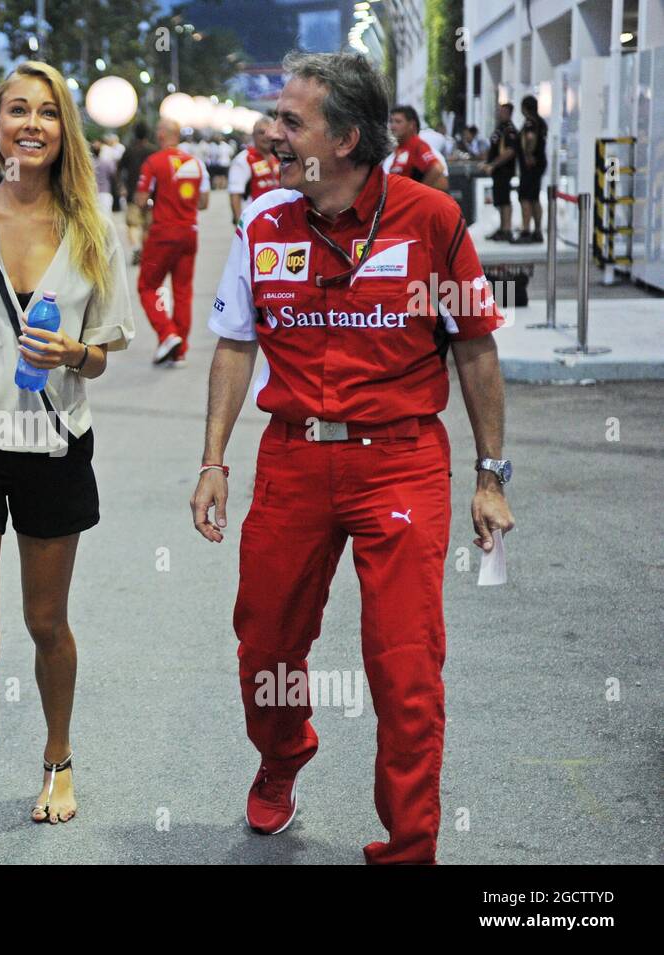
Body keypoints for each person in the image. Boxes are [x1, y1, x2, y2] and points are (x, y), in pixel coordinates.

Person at [193, 51, 515, 865]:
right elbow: (234, 346)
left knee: (405, 665)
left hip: (400, 463)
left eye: (290, 120)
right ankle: (281, 756)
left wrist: (490, 475)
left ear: (343, 137)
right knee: (266, 643)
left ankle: (411, 845)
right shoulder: (264, 220)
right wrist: (213, 461)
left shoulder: (431, 219)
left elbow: (475, 349)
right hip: (293, 460)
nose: (271, 132)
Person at [0, 60, 134, 865]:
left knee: (46, 624)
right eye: (17, 111)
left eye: (47, 112)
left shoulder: (93, 229)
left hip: (53, 445)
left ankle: (57, 755)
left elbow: (106, 348)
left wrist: (77, 349)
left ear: (62, 129)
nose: (32, 124)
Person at [134, 116, 210, 367]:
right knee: (183, 291)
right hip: (190, 232)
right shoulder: (196, 163)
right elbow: (203, 202)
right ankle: (180, 351)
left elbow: (141, 200)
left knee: (147, 286)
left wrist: (156, 200)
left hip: (164, 233)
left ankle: (167, 333)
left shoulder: (154, 162)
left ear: (161, 135)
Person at [228, 117, 281, 223]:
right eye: (261, 132)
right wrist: (240, 225)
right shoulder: (244, 159)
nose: (266, 137)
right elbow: (235, 194)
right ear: (253, 135)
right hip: (253, 220)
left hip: (278, 219)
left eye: (269, 132)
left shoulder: (279, 157)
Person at [118, 121, 156, 265]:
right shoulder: (153, 150)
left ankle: (136, 248)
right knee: (147, 225)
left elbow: (119, 170)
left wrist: (122, 187)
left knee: (133, 224)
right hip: (151, 194)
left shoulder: (129, 150)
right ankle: (145, 251)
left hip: (132, 194)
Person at [384, 105, 447, 190]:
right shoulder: (399, 149)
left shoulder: (417, 145)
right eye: (391, 122)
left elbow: (437, 168)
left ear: (412, 125)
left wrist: (419, 192)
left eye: (398, 122)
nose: (393, 126)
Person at [481, 102, 520, 241]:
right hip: (497, 171)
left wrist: (494, 164)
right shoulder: (500, 128)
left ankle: (507, 228)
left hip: (504, 170)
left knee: (504, 200)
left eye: (503, 111)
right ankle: (502, 227)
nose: (500, 114)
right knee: (499, 199)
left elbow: (509, 151)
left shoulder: (509, 130)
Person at [515, 95, 548, 244]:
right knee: (534, 197)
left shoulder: (530, 122)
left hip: (531, 166)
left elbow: (530, 138)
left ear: (525, 108)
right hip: (539, 164)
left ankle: (526, 230)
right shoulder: (541, 122)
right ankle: (538, 230)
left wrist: (528, 154)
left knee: (525, 197)